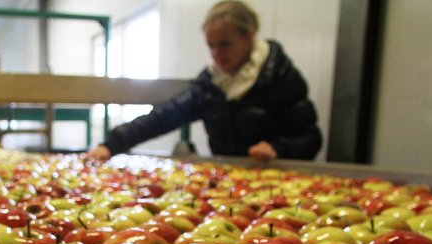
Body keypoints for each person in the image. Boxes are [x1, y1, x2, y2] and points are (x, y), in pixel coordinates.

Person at [86, 0, 322, 162]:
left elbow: (311, 138)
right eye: (211, 45)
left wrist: (278, 149)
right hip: (226, 182)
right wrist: (111, 145)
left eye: (225, 44)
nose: (217, 54)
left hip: (276, 183)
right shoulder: (210, 85)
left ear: (248, 37)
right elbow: (161, 118)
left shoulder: (280, 76)